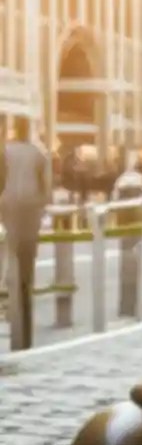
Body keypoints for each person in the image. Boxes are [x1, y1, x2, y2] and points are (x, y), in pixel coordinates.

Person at [1, 117, 51, 350]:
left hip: (8, 207)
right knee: (26, 259)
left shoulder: (6, 151)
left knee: (9, 253)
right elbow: (46, 186)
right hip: (30, 209)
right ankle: (23, 297)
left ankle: (12, 303)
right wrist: (41, 202)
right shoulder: (39, 154)